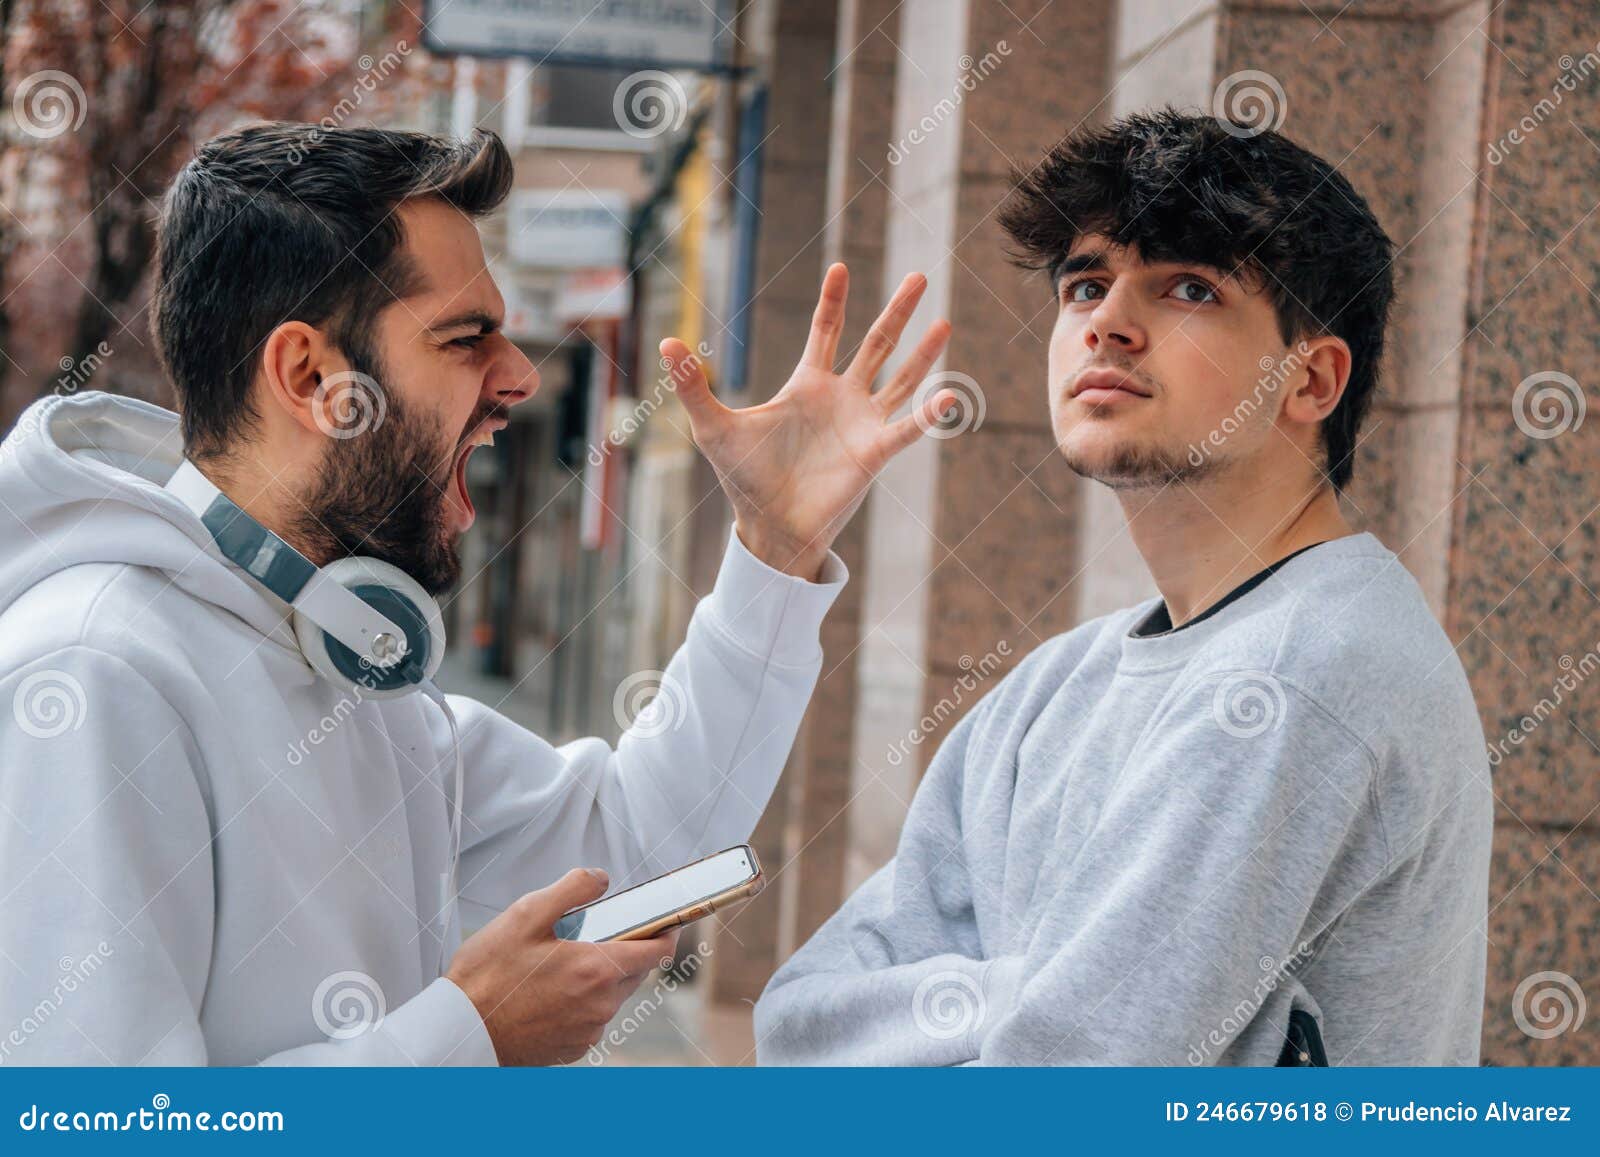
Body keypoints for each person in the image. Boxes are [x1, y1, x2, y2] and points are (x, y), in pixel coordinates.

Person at [0, 123, 952, 1065]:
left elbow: (638, 843)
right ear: (311, 375)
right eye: (465, 337)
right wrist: (470, 1035)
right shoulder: (97, 673)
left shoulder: (340, 657)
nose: (521, 377)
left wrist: (776, 544)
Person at [754, 107, 1494, 1066]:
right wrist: (1034, 986)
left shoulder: (1305, 678)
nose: (1107, 322)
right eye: (1086, 285)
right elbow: (797, 1023)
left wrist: (1005, 1004)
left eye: (1188, 288)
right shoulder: (1051, 690)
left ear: (1309, 381)